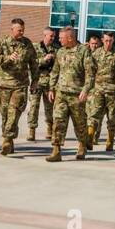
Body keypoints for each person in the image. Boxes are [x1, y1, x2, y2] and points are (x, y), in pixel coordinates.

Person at [46, 26, 94, 162]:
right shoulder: (60, 52)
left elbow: (90, 74)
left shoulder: (84, 51)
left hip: (76, 95)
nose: (59, 40)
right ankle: (56, 150)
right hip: (61, 93)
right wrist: (51, 89)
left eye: (61, 38)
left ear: (70, 38)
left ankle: (82, 146)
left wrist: (85, 90)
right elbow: (55, 71)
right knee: (58, 121)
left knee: (80, 123)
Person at [0, 17, 38, 155]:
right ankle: (9, 141)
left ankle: (6, 139)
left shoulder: (27, 44)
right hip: (4, 84)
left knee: (14, 113)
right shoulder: (3, 42)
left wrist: (35, 81)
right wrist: (8, 58)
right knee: (5, 115)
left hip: (20, 85)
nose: (22, 32)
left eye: (23, 30)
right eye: (19, 30)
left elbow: (34, 63)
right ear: (12, 29)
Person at [87, 31, 115, 152]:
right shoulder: (96, 53)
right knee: (94, 114)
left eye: (110, 41)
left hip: (113, 91)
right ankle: (90, 138)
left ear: (113, 40)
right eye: (106, 40)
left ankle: (110, 140)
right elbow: (90, 70)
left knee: (111, 117)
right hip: (98, 90)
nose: (108, 43)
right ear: (102, 40)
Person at [27, 26, 59, 141]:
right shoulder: (36, 48)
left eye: (54, 36)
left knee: (49, 108)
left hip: (50, 83)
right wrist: (43, 59)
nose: (52, 38)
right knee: (34, 106)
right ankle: (32, 130)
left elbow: (59, 65)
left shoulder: (56, 48)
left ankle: (50, 128)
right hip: (37, 81)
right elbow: (32, 63)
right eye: (51, 36)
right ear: (44, 35)